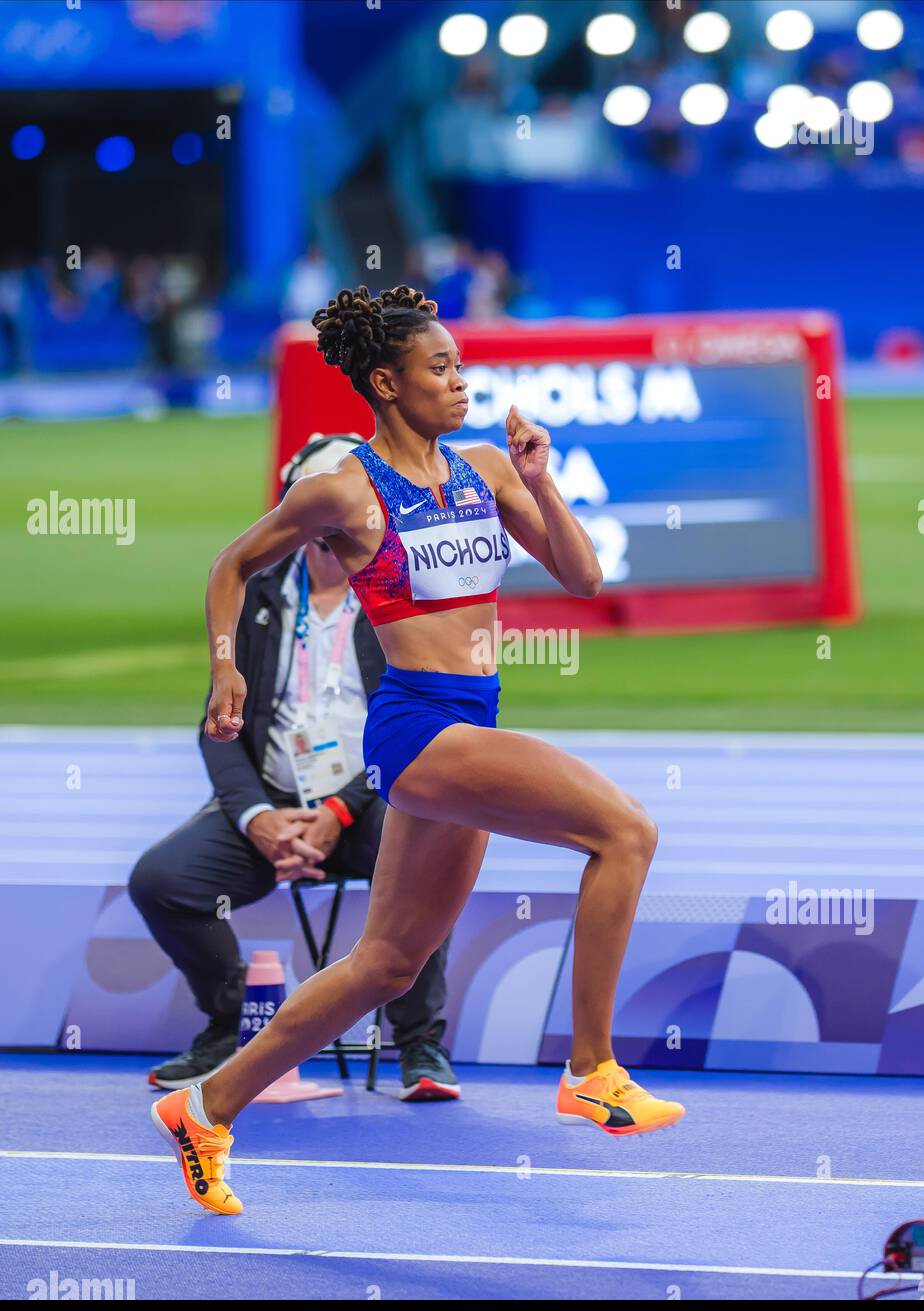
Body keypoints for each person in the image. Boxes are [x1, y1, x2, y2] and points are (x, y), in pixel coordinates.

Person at [152, 284, 683, 1216]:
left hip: (466, 725)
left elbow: (584, 573)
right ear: (388, 383)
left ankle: (207, 1106)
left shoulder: (485, 466)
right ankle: (593, 1067)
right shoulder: (343, 491)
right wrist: (229, 670)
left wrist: (542, 479)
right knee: (625, 832)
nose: (460, 382)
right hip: (417, 729)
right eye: (440, 369)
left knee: (387, 963)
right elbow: (231, 563)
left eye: (461, 366)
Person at [130, 435, 460, 1103]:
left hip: (373, 799)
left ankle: (419, 1042)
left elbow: (425, 728)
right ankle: (232, 1025)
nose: (330, 535)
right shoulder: (256, 599)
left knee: (432, 848)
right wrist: (258, 818)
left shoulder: (405, 596)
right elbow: (219, 729)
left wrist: (339, 810)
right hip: (274, 806)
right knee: (162, 881)